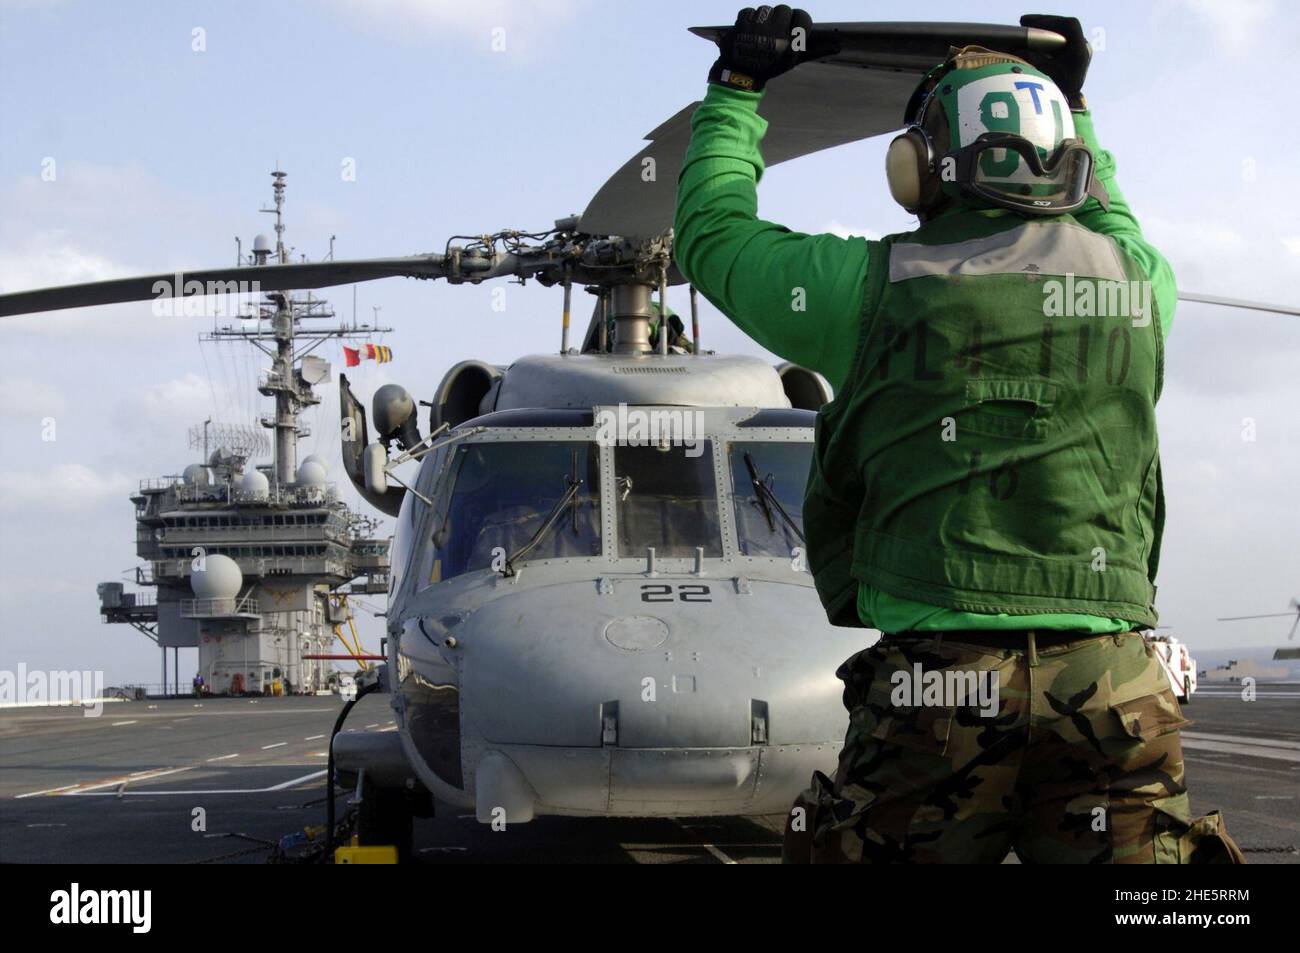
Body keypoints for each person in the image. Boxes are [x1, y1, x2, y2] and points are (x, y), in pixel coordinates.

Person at [674, 6, 1243, 863]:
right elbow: (1111, 224)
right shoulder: (1142, 287)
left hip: (937, 693)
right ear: (1073, 170)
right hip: (1114, 688)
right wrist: (1073, 102)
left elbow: (713, 237)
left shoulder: (864, 288)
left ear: (917, 169)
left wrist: (737, 93)